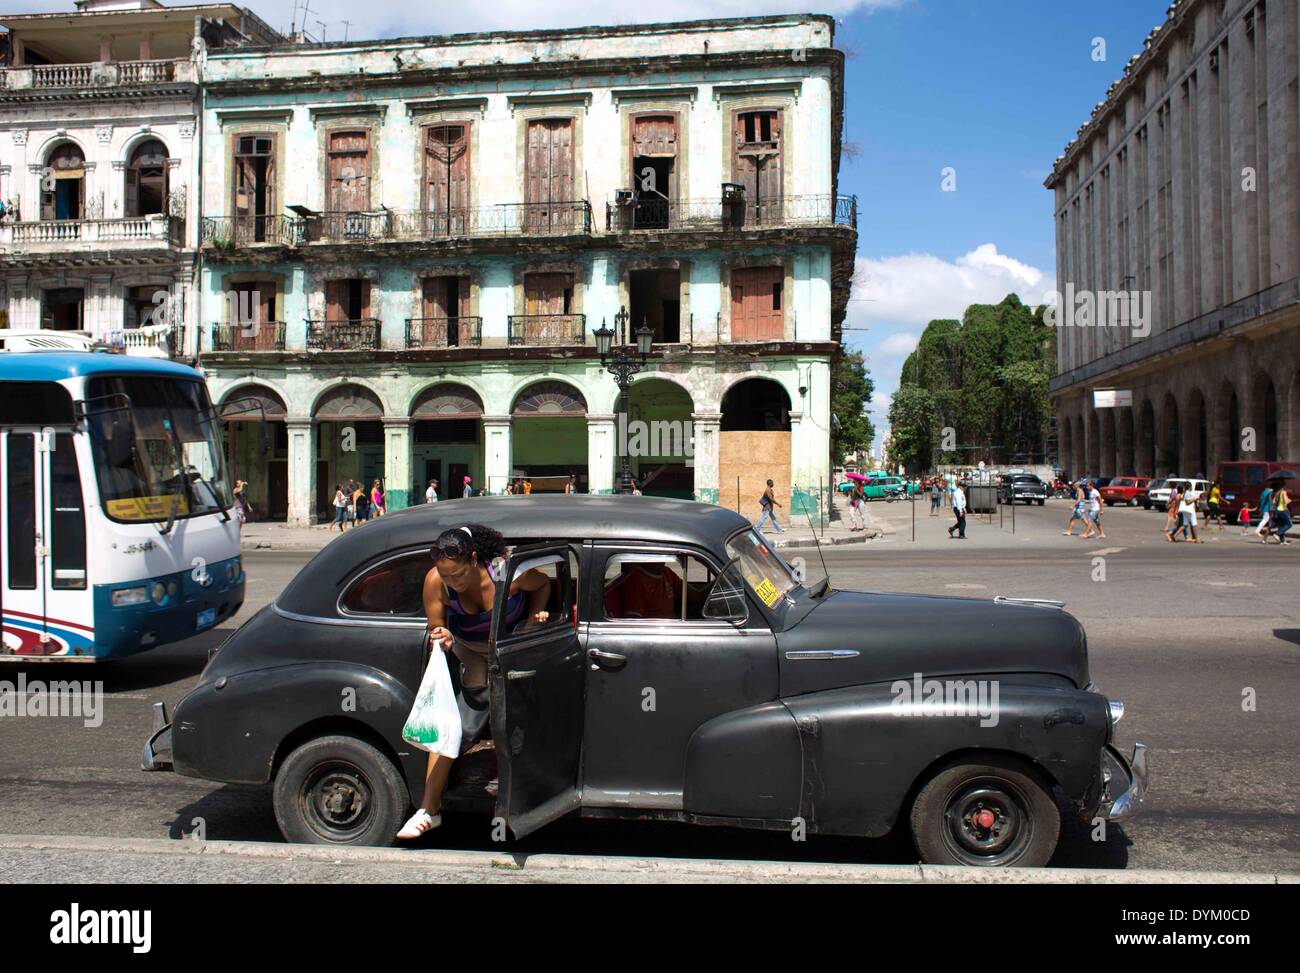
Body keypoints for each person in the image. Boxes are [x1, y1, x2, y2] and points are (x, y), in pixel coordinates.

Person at [396, 524, 554, 840]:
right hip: (467, 648)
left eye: (458, 575)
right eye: (446, 576)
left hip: (510, 647)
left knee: (521, 720)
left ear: (473, 558)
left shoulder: (504, 570)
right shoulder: (436, 582)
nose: (452, 581)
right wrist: (441, 637)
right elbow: (437, 631)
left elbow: (544, 585)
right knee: (448, 724)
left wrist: (537, 615)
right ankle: (429, 811)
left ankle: (529, 802)